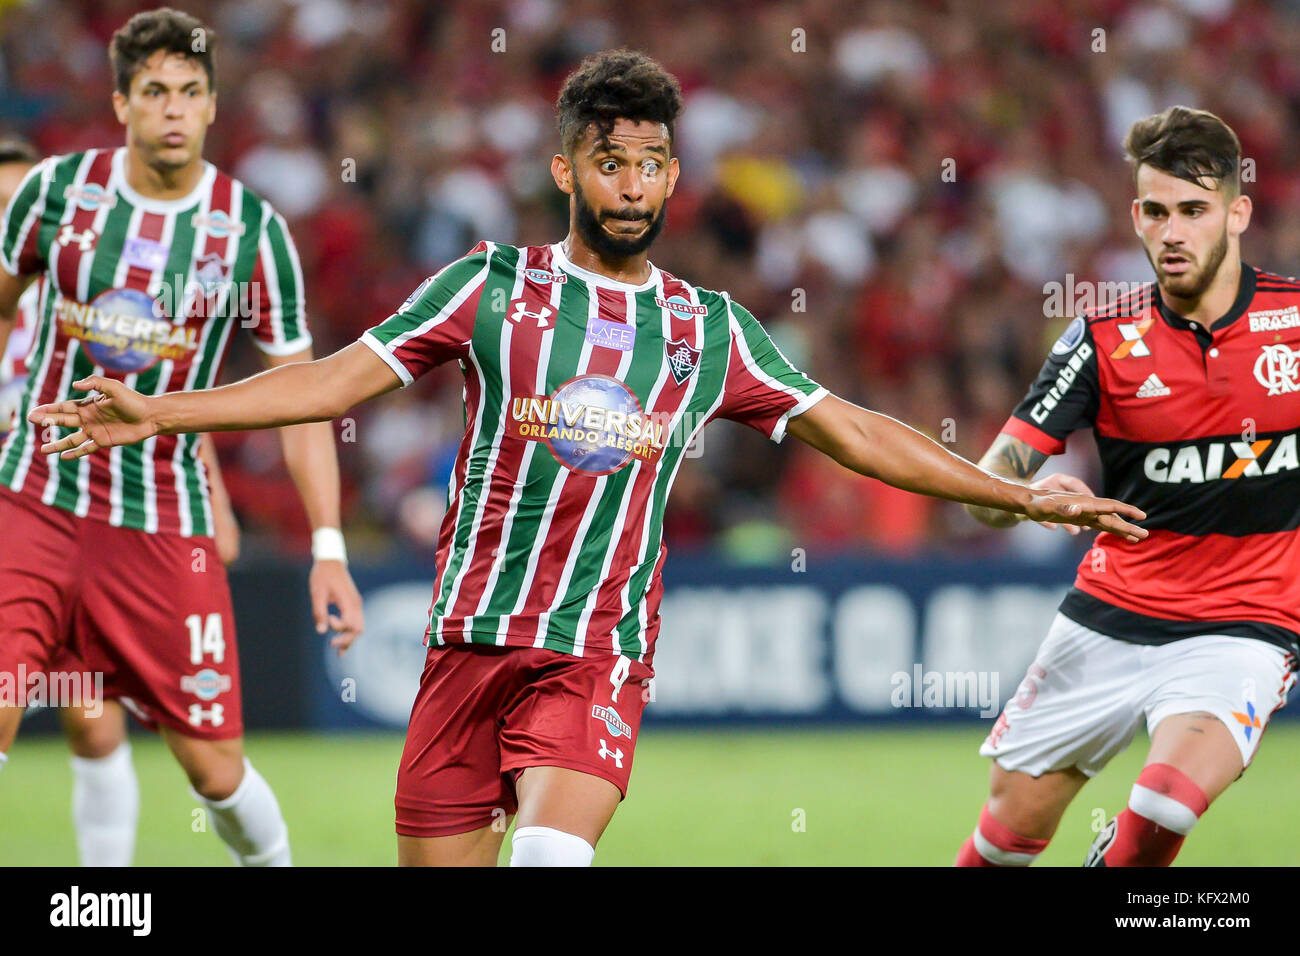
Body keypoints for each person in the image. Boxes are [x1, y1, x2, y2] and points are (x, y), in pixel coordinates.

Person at [28, 48, 1145, 868]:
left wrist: (1011, 493)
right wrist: (165, 409)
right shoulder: (487, 287)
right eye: (609, 162)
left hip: (592, 655)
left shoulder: (708, 328)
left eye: (651, 164)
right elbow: (329, 381)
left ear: (670, 180)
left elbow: (852, 428)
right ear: (567, 169)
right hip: (466, 646)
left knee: (549, 861)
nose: (631, 183)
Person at [0, 7, 363, 867]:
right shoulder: (56, 193)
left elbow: (304, 397)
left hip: (163, 520)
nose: (173, 108)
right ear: (121, 103)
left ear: (210, 106)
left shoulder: (252, 234)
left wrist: (327, 545)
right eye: (154, 91)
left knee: (215, 769)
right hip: (34, 497)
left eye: (190, 92)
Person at [958, 106, 1298, 867]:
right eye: (1155, 212)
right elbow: (987, 487)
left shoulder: (1295, 324)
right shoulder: (1100, 339)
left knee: (1164, 799)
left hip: (1247, 621)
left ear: (1237, 214)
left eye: (1193, 211)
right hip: (1112, 613)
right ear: (1134, 216)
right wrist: (1029, 497)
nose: (1171, 232)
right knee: (1009, 836)